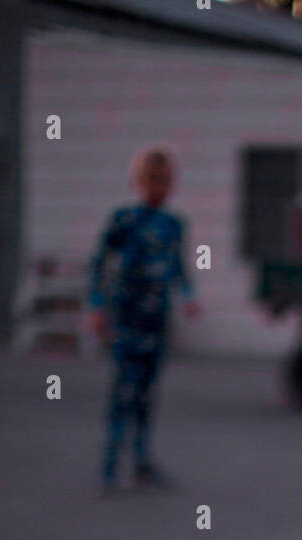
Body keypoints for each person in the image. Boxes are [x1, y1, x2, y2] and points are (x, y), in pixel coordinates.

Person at [87, 147, 199, 495]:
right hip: (126, 319)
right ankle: (109, 465)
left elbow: (179, 265)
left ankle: (141, 460)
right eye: (151, 181)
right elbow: (99, 263)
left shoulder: (174, 224)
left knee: (149, 393)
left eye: (164, 181)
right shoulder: (124, 220)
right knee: (123, 391)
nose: (158, 188)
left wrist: (189, 295)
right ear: (135, 182)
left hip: (156, 321)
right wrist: (96, 305)